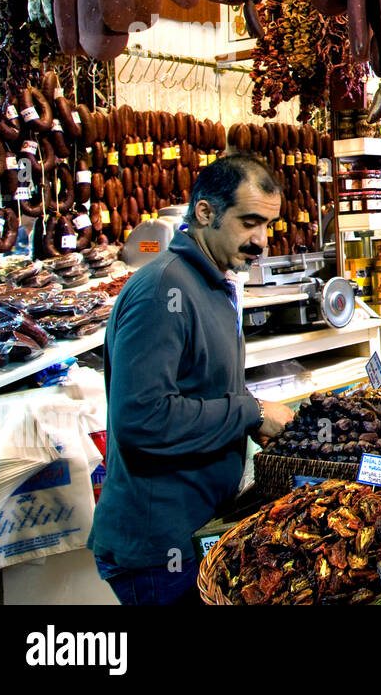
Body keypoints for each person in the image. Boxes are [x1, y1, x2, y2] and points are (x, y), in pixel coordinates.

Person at [89, 154, 295, 604]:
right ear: (205, 212)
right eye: (249, 222)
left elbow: (201, 386)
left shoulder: (212, 283)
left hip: (198, 527)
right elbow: (143, 418)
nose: (260, 240)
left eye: (268, 226)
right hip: (158, 550)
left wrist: (250, 419)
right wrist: (249, 410)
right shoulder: (163, 288)